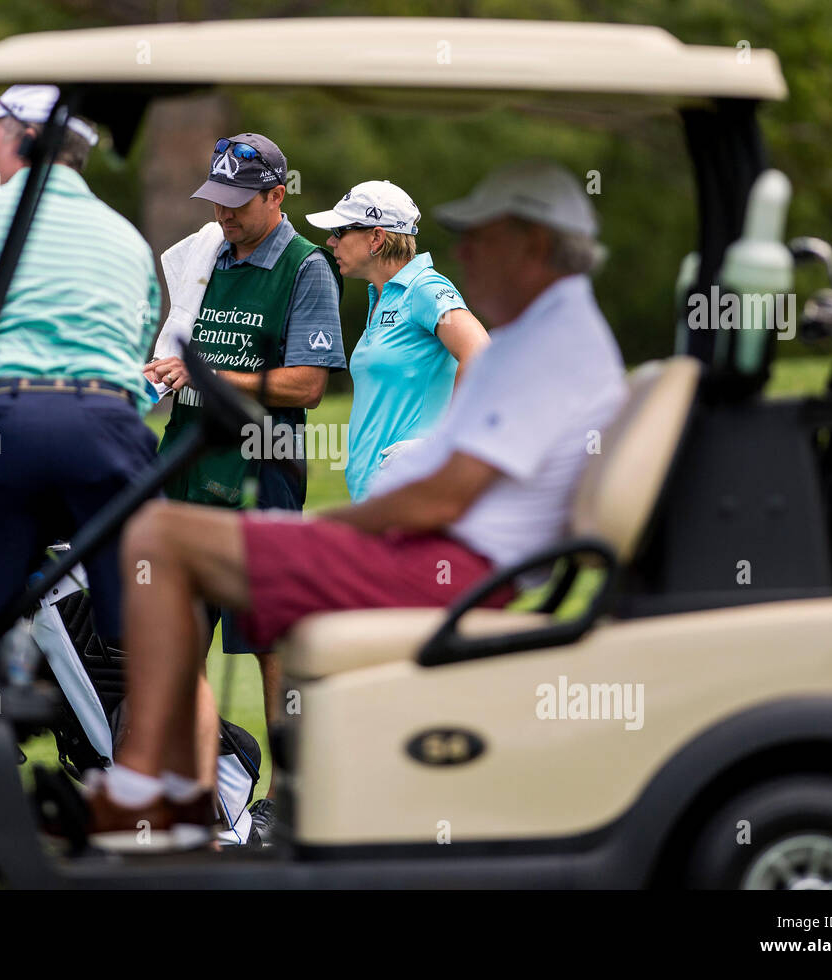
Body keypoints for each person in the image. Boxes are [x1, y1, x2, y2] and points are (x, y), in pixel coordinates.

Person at [83, 159, 628, 850]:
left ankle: (149, 803)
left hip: (443, 564)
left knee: (161, 538)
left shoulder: (548, 343)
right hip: (431, 547)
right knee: (171, 539)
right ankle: (184, 804)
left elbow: (444, 495)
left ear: (535, 246)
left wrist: (332, 526)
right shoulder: (546, 330)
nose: (461, 251)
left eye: (480, 237)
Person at [141, 133, 345, 841]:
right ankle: (196, 796)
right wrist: (166, 369)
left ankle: (292, 796)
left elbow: (309, 386)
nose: (223, 215)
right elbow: (184, 341)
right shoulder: (205, 259)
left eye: (237, 203)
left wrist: (214, 380)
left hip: (262, 474)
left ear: (277, 196)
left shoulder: (305, 266)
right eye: (216, 201)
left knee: (270, 643)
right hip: (189, 468)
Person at [0, 84, 161, 643]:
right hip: (109, 427)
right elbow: (132, 357)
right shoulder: (129, 237)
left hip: (4, 423)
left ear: (28, 140)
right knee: (147, 631)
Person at [305, 180, 489, 500]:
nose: (330, 242)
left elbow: (481, 353)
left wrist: (442, 444)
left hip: (412, 494)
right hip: (378, 498)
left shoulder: (424, 289)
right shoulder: (382, 296)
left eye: (340, 232)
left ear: (376, 237)